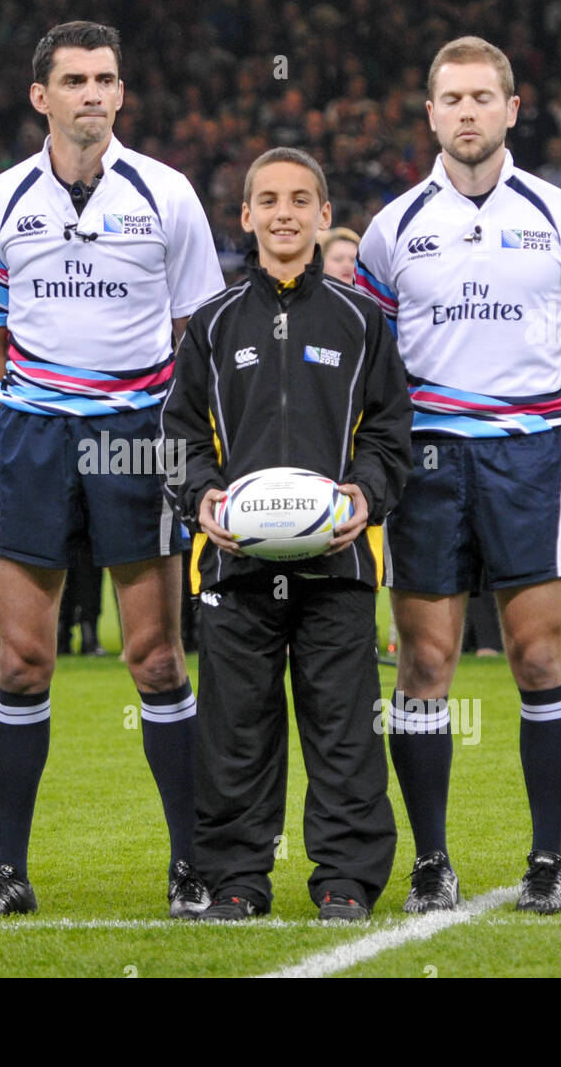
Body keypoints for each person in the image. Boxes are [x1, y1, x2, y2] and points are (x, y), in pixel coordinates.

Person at [0, 21, 224, 919]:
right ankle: (11, 874)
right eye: (74, 80)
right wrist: (36, 407)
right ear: (40, 96)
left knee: (154, 657)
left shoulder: (169, 194)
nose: (93, 94)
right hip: (31, 437)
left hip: (137, 435)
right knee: (23, 662)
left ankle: (190, 868)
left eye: (106, 78)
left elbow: (198, 333)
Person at [354, 37, 561, 915]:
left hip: (530, 454)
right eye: (451, 98)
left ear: (513, 109)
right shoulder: (394, 227)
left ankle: (547, 860)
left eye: (483, 97)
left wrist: (527, 412)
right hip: (426, 461)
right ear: (429, 113)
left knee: (539, 655)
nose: (466, 112)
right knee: (425, 660)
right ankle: (432, 859)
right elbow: (373, 356)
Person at [161, 147, 411, 921]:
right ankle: (237, 878)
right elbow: (177, 436)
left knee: (343, 725)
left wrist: (365, 496)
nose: (284, 213)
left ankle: (345, 877)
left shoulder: (363, 320)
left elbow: (392, 435)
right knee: (235, 728)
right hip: (235, 566)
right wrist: (201, 498)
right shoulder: (210, 325)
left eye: (301, 200)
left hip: (337, 563)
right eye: (267, 199)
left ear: (325, 215)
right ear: (245, 217)